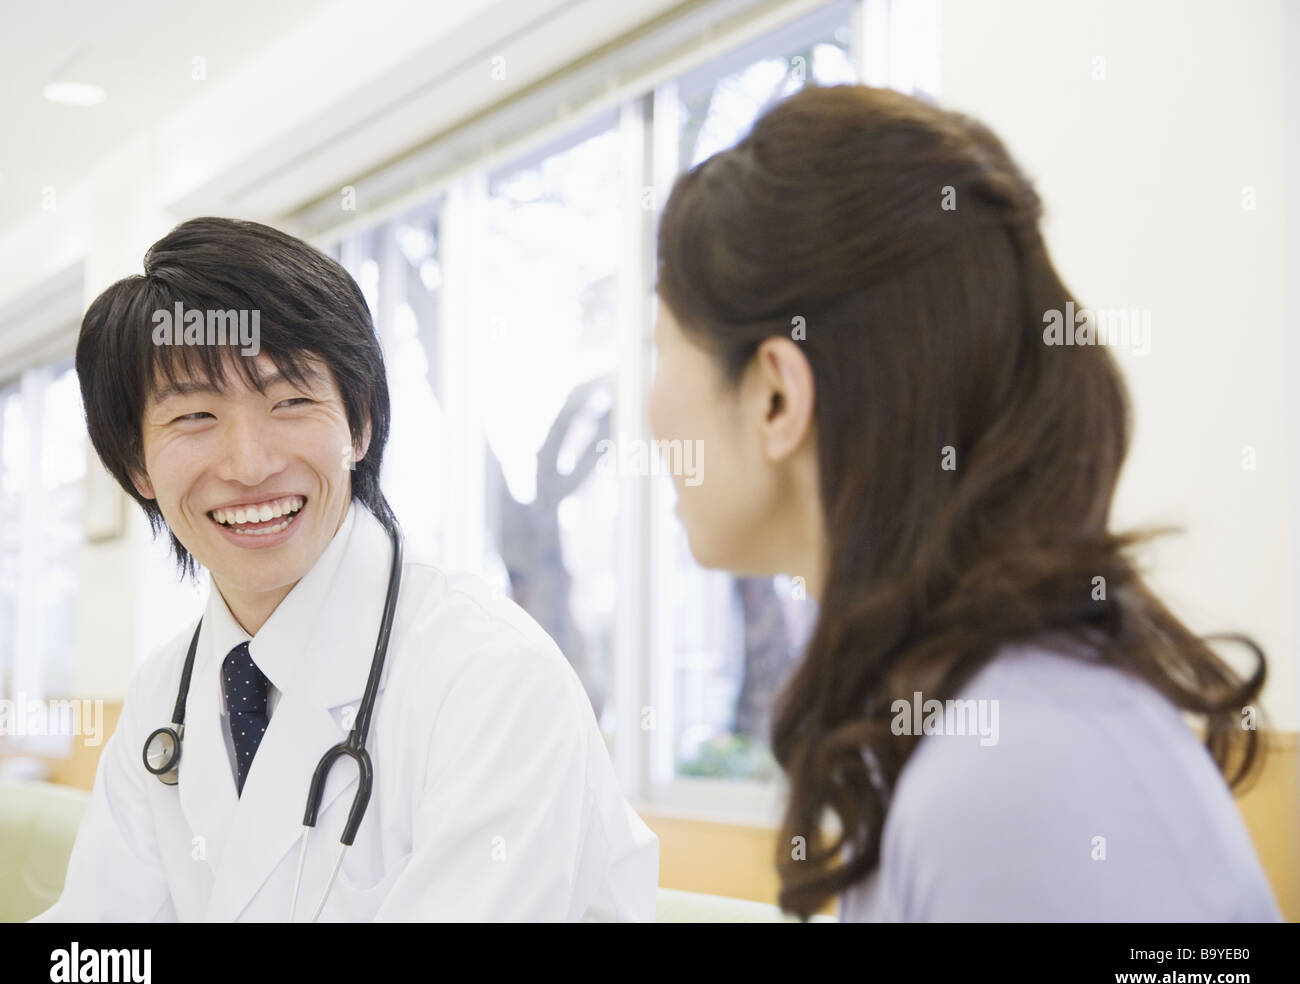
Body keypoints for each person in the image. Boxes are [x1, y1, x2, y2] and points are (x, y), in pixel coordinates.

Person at [648, 83, 1280, 922]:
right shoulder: (972, 731)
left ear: (775, 397)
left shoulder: (1014, 773)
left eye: (659, 349)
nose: (649, 412)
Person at [33, 217, 658, 922]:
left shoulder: (490, 677)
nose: (249, 464)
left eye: (290, 401)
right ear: (137, 464)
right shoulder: (164, 697)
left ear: (358, 424)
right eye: (196, 415)